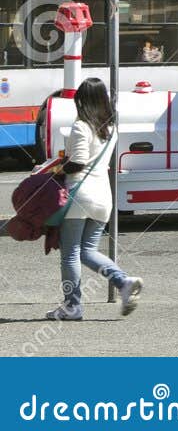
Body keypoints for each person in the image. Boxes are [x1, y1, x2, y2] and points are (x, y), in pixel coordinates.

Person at [47, 78, 142, 321]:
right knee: (88, 250)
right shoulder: (110, 129)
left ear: (82, 100)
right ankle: (123, 282)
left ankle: (72, 306)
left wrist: (54, 170)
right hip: (103, 197)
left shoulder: (81, 126)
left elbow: (78, 162)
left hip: (80, 194)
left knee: (71, 253)